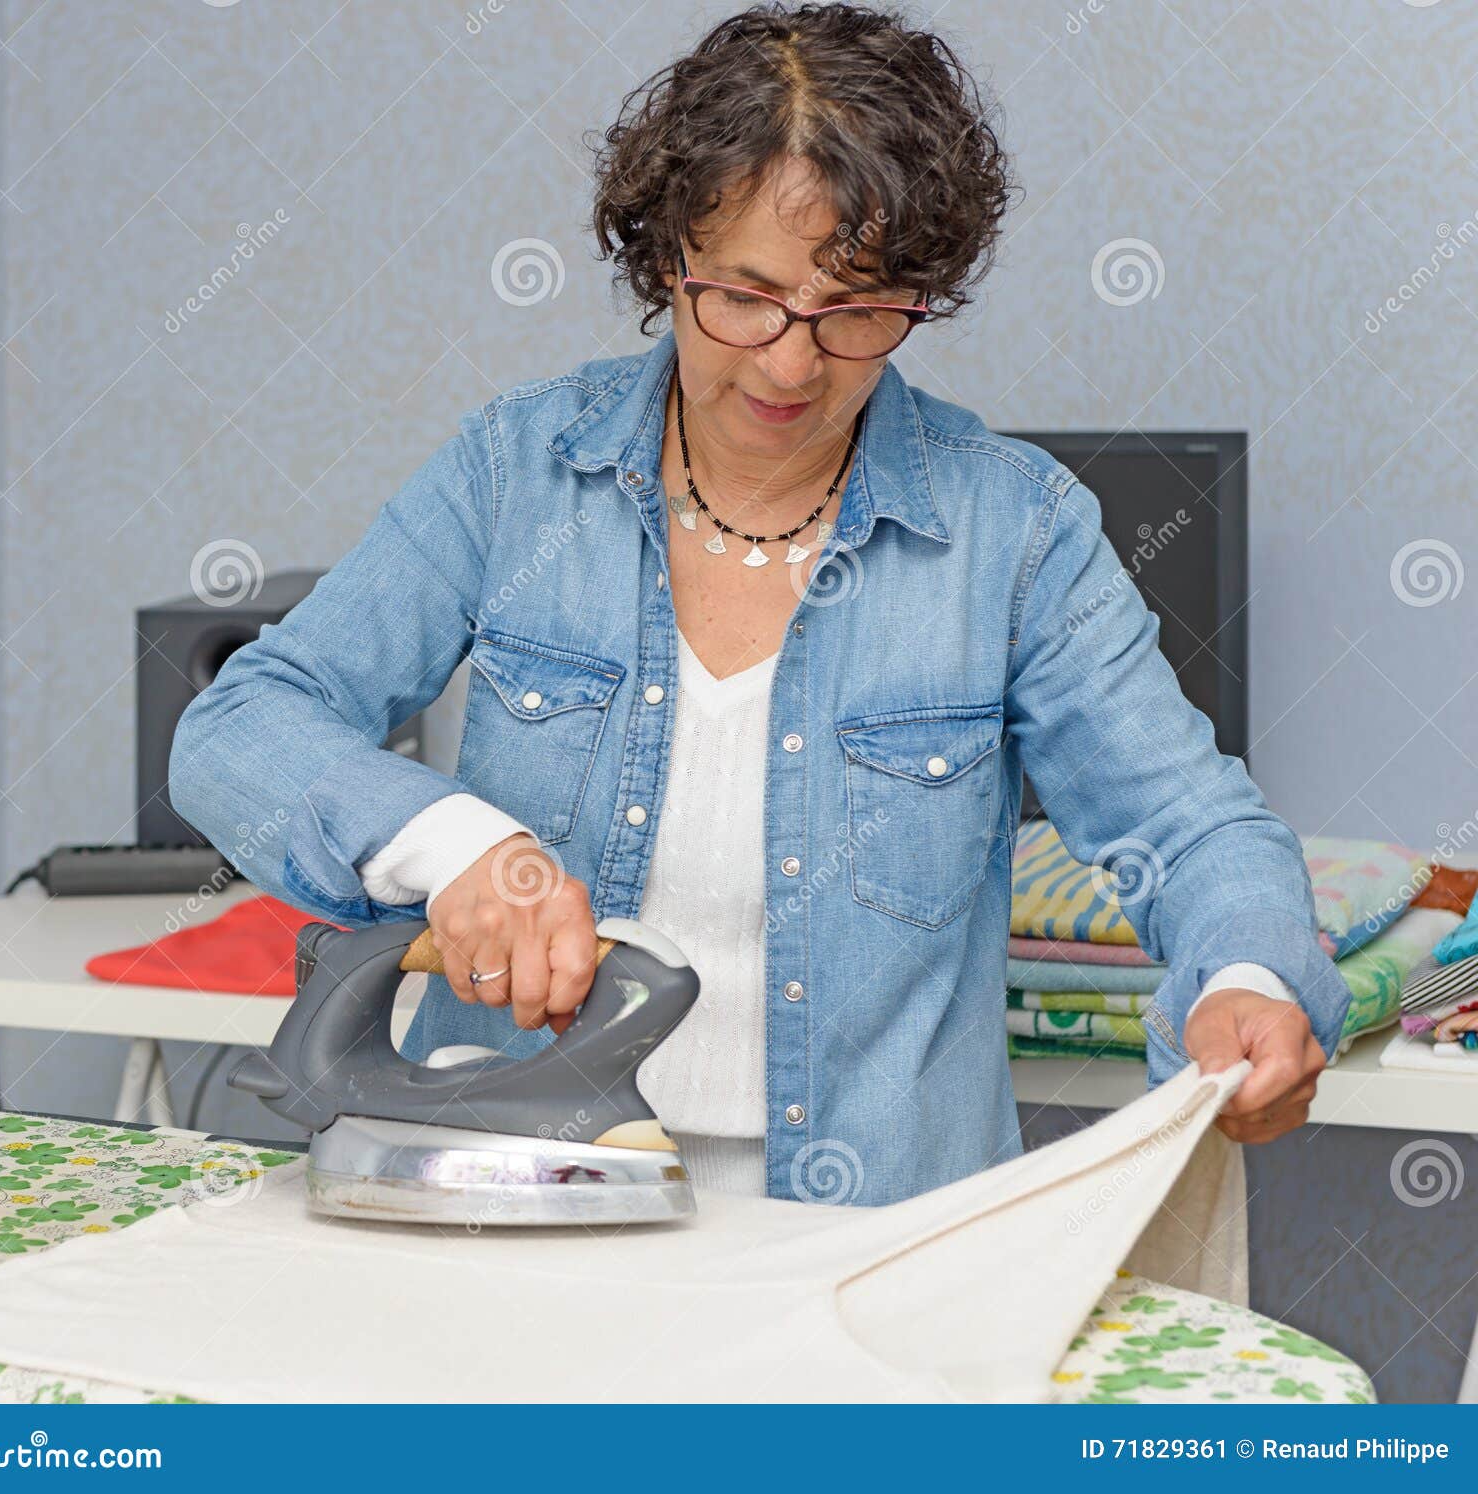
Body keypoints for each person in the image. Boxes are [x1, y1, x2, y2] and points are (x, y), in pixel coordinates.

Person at [169, 2, 1348, 1206]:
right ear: (665, 256)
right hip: (514, 1201)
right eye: (745, 296)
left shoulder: (1014, 534)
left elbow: (1193, 827)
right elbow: (241, 726)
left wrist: (1242, 977)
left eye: (857, 308)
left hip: (873, 1239)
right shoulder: (513, 474)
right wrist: (459, 846)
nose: (790, 364)